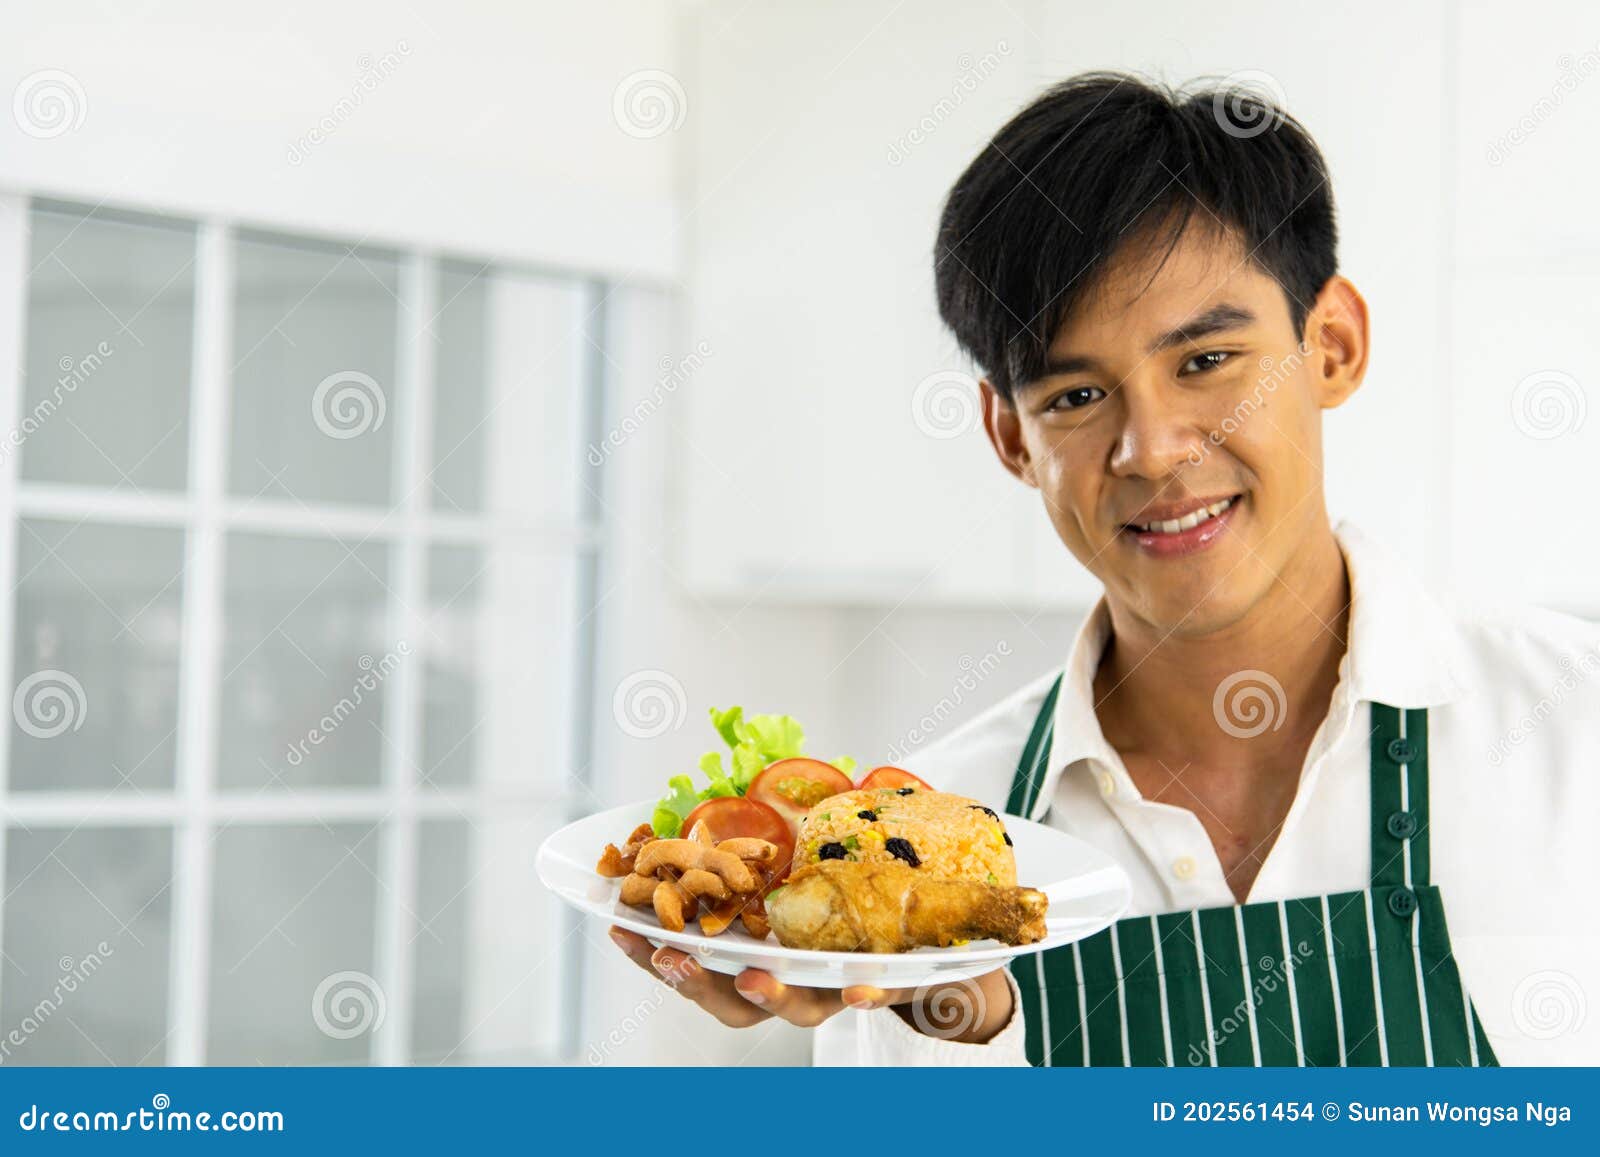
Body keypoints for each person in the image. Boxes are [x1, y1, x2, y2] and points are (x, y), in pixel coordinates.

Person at [611, 71, 1600, 1066]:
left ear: (1332, 344)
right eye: (1075, 395)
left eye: (1204, 361)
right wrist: (967, 1025)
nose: (1152, 449)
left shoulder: (1571, 728)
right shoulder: (929, 848)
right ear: (1010, 436)